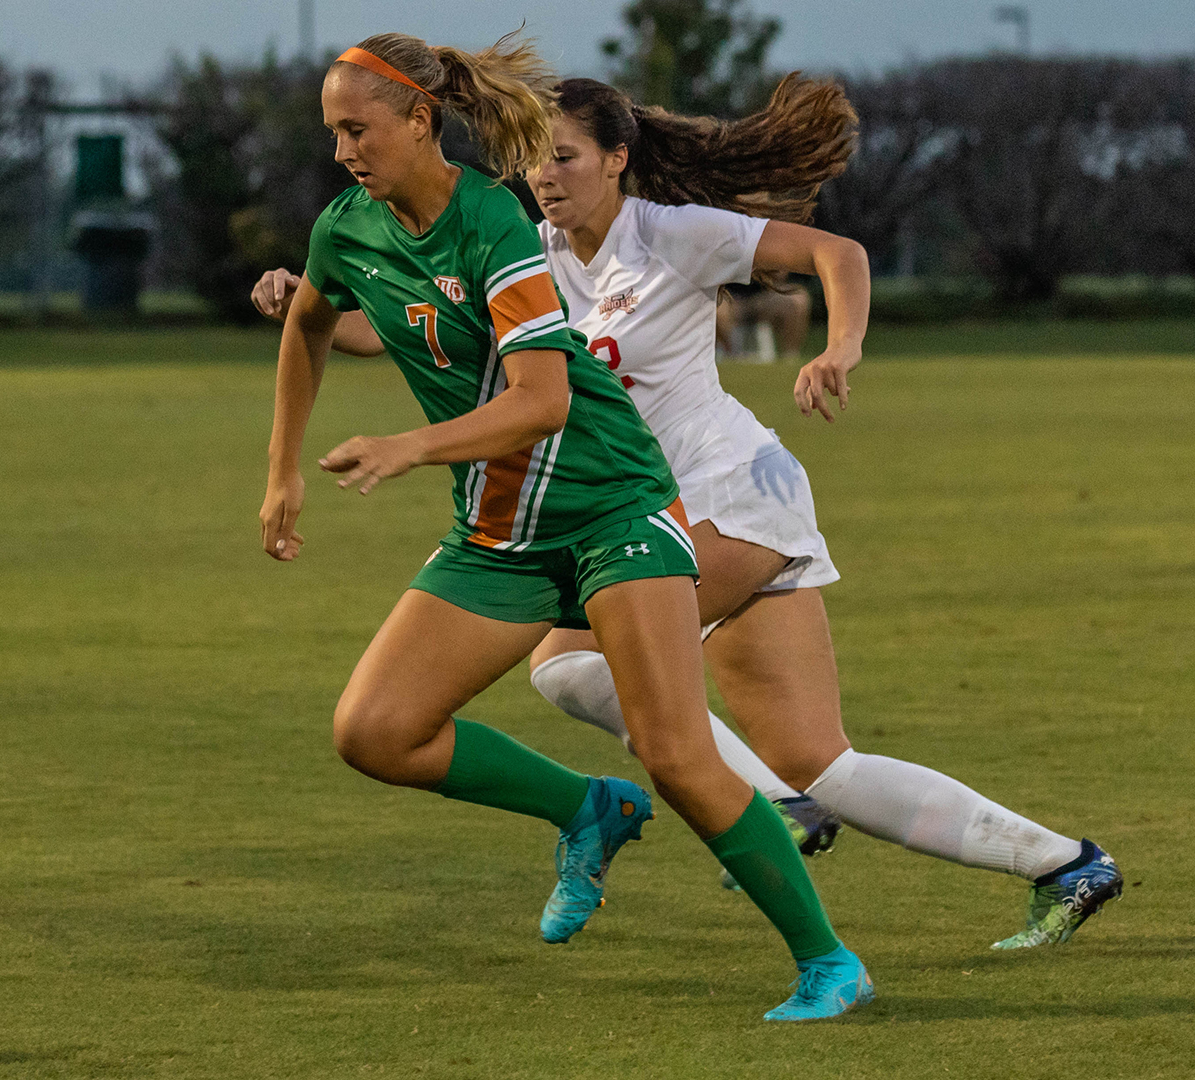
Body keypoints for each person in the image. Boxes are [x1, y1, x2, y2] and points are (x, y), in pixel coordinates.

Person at [253, 75, 1122, 951]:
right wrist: (313, 304)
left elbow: (840, 254)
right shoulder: (531, 250)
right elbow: (416, 325)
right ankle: (1064, 864)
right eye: (530, 160)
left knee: (573, 665)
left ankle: (766, 812)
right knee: (822, 760)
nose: (544, 176)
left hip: (733, 490)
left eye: (565, 157)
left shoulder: (673, 235)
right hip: (656, 507)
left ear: (618, 159)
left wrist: (840, 347)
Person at [262, 32, 872, 1020]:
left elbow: (544, 401)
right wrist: (282, 471)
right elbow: (310, 326)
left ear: (422, 119)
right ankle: (585, 806)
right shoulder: (346, 228)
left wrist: (410, 447)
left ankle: (827, 962)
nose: (342, 152)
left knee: (677, 753)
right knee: (374, 730)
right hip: (500, 522)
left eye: (356, 129)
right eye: (333, 133)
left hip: (611, 504)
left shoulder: (492, 221)